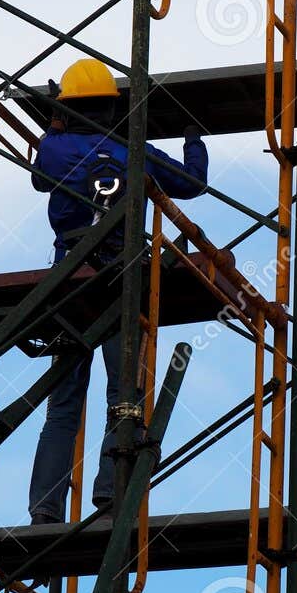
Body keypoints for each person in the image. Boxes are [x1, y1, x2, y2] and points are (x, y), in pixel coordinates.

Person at [26, 57, 208, 524]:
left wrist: (55, 127)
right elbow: (192, 184)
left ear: (67, 108)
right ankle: (109, 496)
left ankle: (45, 510)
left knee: (63, 405)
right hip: (122, 276)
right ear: (114, 107)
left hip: (70, 278)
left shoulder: (57, 149)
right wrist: (193, 137)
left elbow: (39, 176)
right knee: (121, 397)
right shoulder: (134, 150)